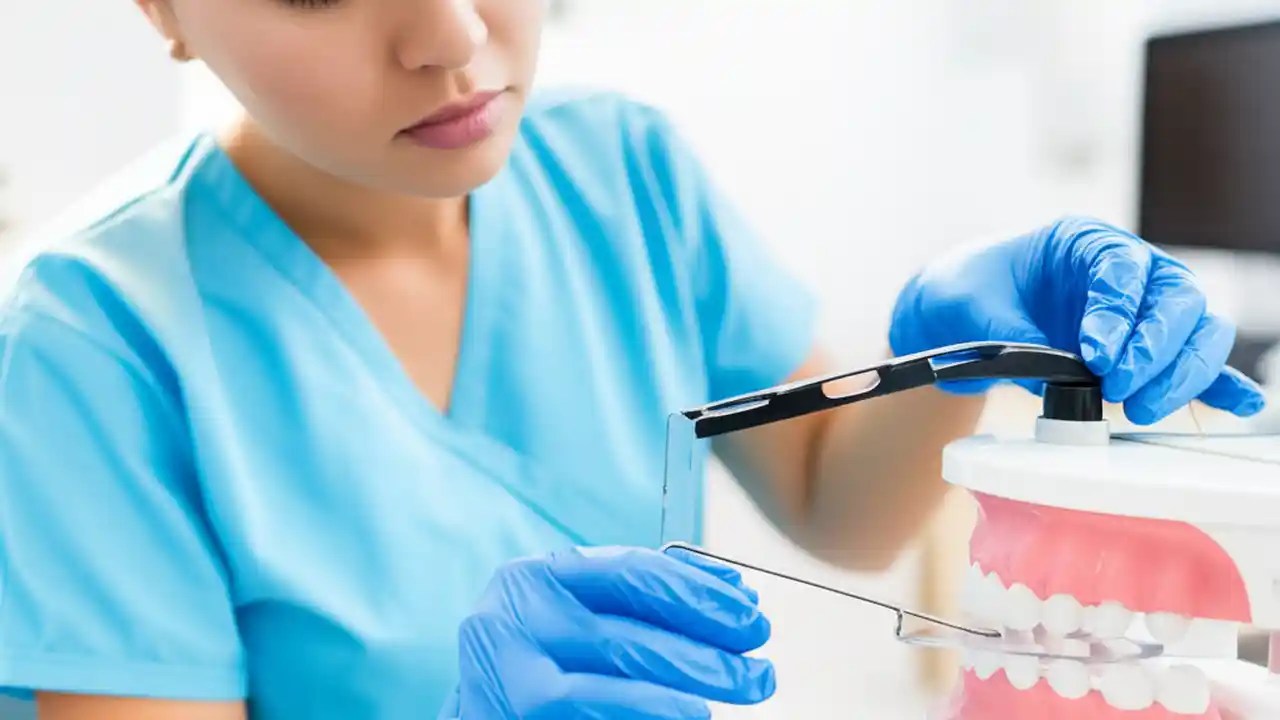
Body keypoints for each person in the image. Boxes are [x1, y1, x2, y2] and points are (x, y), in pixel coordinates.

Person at [0, 1, 1263, 719]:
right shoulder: (86, 344)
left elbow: (837, 504)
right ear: (163, 8)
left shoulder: (620, 169)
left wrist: (943, 361)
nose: (450, 35)